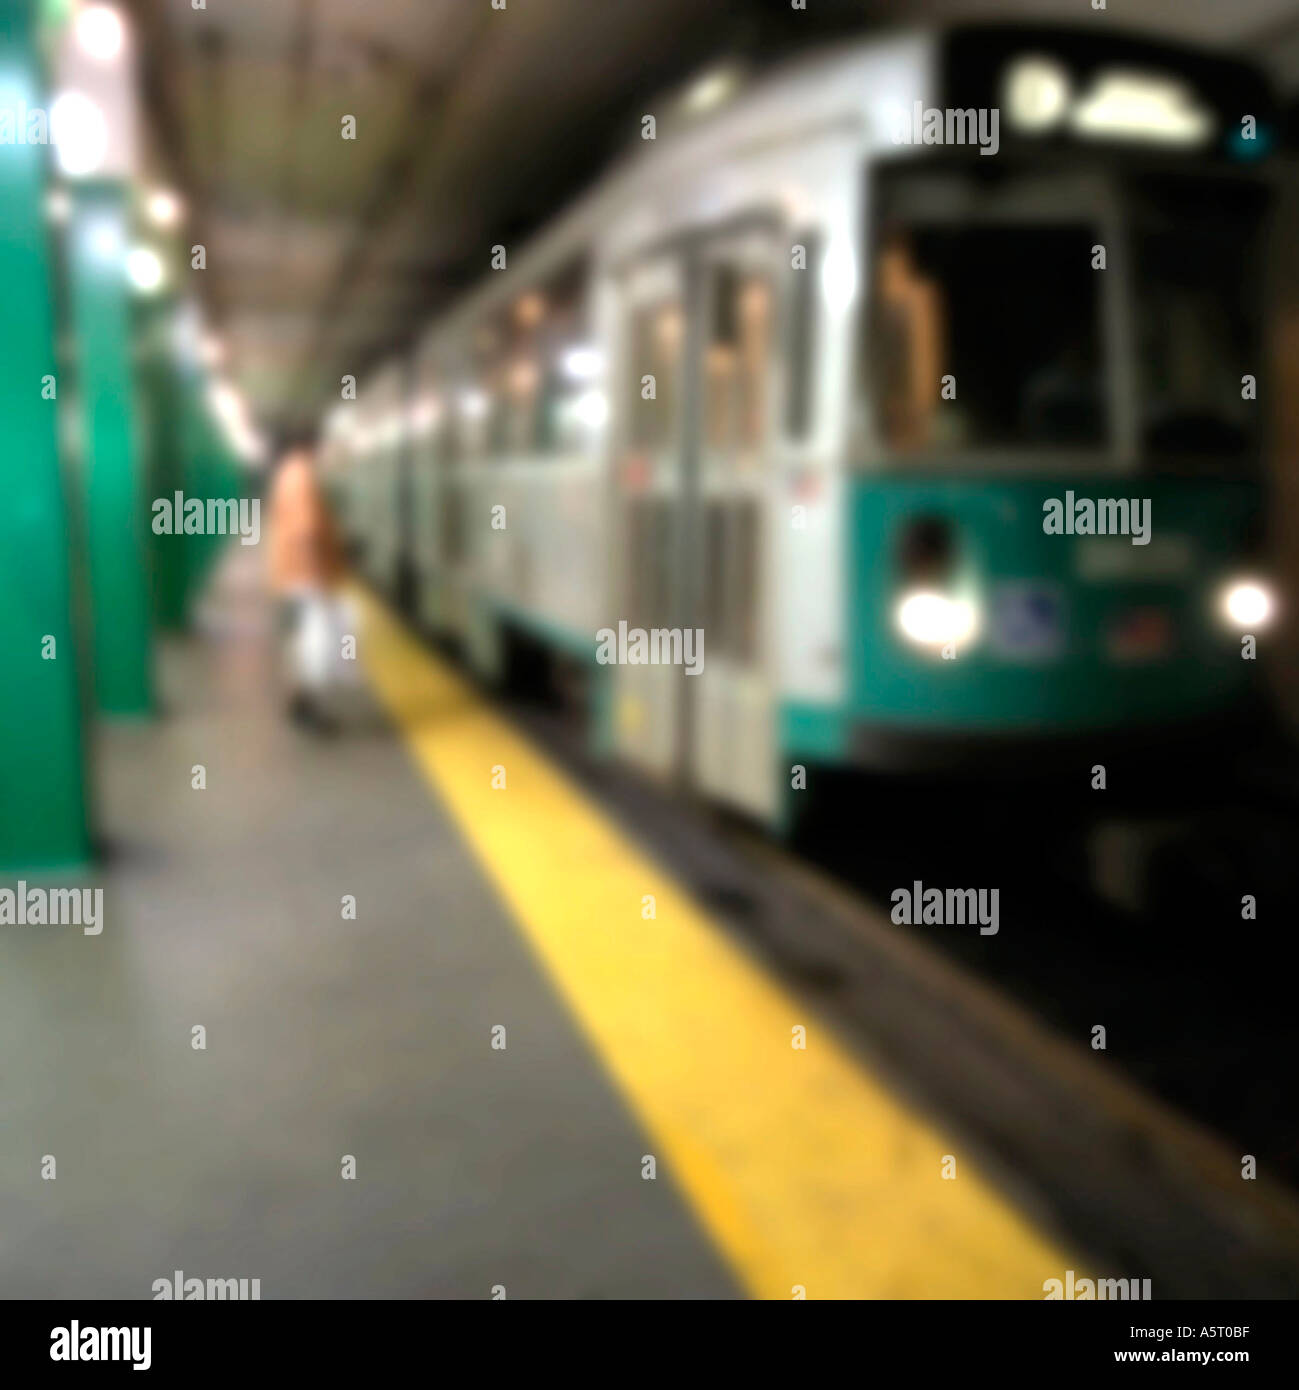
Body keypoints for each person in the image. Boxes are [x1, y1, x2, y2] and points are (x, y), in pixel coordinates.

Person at [267, 434, 346, 731]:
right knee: (318, 641)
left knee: (302, 638)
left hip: (291, 571)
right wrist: (319, 576)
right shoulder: (302, 474)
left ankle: (299, 702)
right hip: (307, 573)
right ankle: (310, 709)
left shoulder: (287, 473)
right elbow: (307, 527)